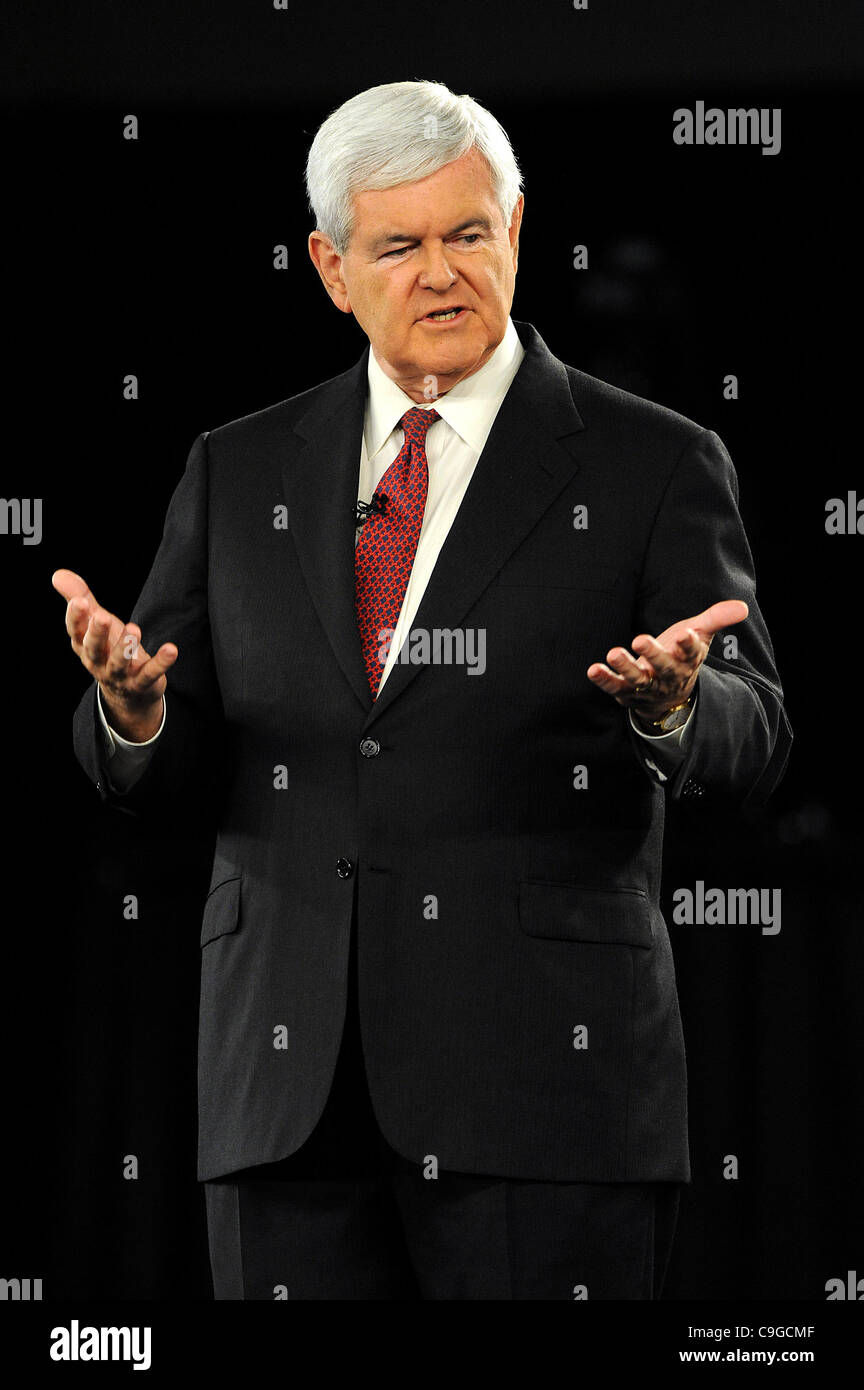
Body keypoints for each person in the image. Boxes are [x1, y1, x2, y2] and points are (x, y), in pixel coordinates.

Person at [54, 79, 791, 1300]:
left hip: (548, 1090)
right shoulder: (238, 470)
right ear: (332, 268)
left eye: (469, 233)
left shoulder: (654, 459)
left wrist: (673, 705)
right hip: (286, 1100)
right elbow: (163, 740)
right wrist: (136, 715)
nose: (441, 272)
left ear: (517, 228)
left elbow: (757, 732)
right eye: (399, 245)